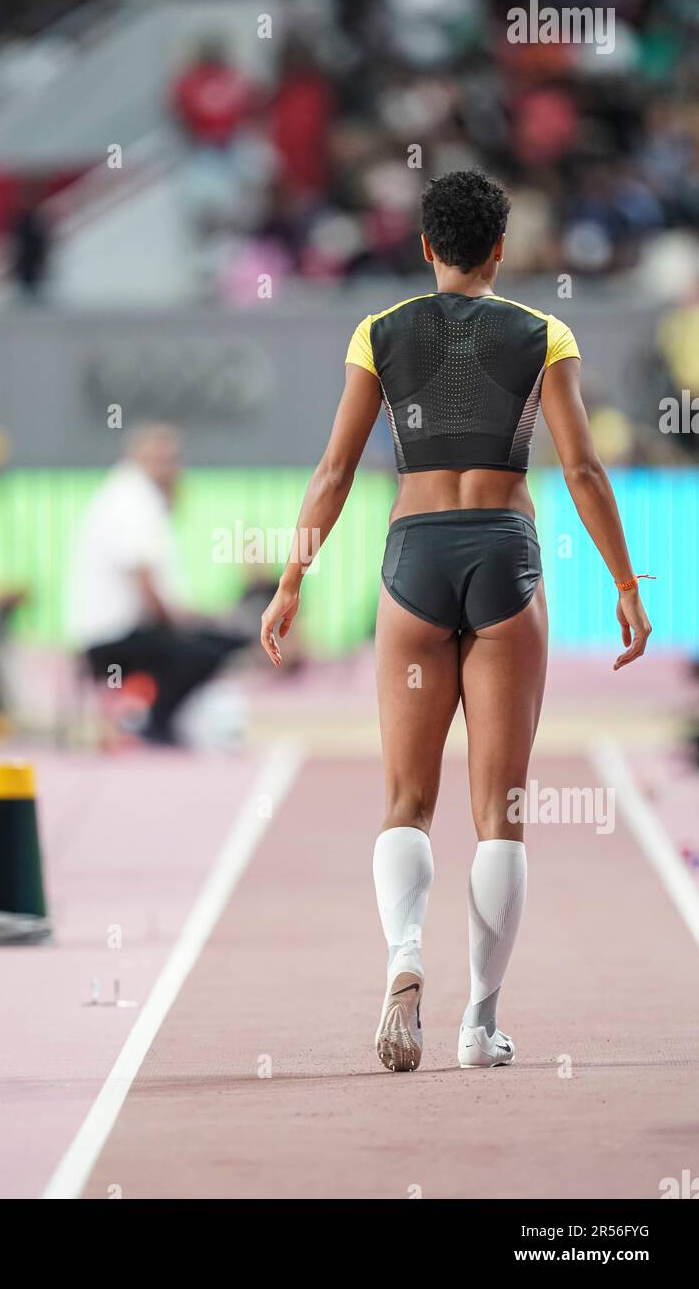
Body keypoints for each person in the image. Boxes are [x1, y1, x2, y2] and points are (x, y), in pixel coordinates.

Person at [260, 168, 652, 1073]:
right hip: (505, 557)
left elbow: (333, 470)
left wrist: (292, 580)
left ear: (427, 247)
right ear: (501, 251)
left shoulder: (379, 332)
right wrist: (626, 584)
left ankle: (404, 959)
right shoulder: (543, 332)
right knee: (501, 810)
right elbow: (585, 471)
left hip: (414, 561)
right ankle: (480, 1024)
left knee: (405, 798)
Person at [69, 424, 248, 746]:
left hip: (112, 633)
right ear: (139, 458)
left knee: (209, 642)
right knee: (208, 650)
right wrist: (188, 622)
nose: (171, 468)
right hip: (112, 639)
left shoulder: (126, 494)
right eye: (162, 459)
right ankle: (155, 723)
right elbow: (148, 590)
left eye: (173, 459)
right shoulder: (134, 500)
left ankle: (157, 720)